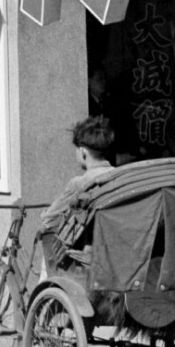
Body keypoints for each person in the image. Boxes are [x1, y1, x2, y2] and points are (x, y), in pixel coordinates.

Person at [33, 115, 118, 279]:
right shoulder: (119, 177)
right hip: (115, 250)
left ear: (83, 151)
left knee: (48, 248)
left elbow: (50, 219)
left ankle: (44, 300)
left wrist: (45, 214)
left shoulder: (80, 183)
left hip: (87, 255)